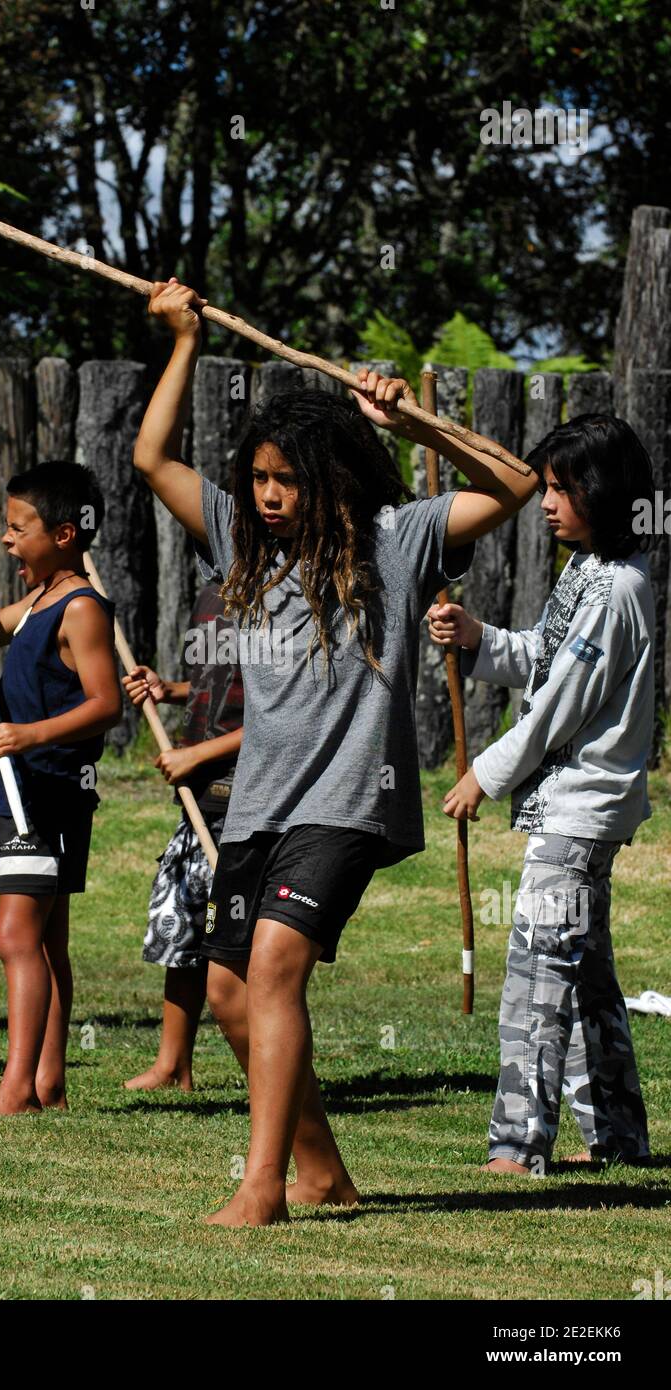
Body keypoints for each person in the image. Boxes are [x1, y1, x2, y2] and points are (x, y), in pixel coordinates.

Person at [131, 276, 539, 1225]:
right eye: (259, 479)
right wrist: (182, 338)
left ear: (336, 478)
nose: (269, 498)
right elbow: (151, 457)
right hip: (257, 805)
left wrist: (416, 427)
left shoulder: (397, 540)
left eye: (289, 482)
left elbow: (513, 484)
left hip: (352, 800)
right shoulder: (241, 538)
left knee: (272, 970)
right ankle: (324, 1172)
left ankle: (261, 1187)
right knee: (231, 997)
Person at [434, 413, 654, 1175]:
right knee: (584, 973)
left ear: (604, 490)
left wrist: (483, 776)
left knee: (536, 973)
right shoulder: (587, 573)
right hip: (577, 809)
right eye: (547, 487)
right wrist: (475, 636)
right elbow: (540, 656)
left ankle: (518, 1144)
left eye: (562, 488)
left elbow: (562, 700)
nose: (547, 502)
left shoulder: (618, 587)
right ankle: (618, 1137)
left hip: (578, 811)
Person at [0, 461, 123, 1114]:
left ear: (64, 534)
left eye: (19, 528)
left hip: (46, 793)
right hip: (24, 791)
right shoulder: (36, 603)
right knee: (43, 939)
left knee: (15, 935)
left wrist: (28, 737)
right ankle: (47, 1083)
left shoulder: (81, 608)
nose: (8, 540)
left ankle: (17, 1089)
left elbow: (106, 703)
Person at [123, 580, 244, 1092]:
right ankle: (173, 1064)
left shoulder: (281, 597)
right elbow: (213, 688)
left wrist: (195, 755)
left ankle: (269, 1073)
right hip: (200, 795)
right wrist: (168, 690)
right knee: (183, 926)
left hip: (248, 793)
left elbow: (287, 716)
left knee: (232, 940)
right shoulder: (213, 593)